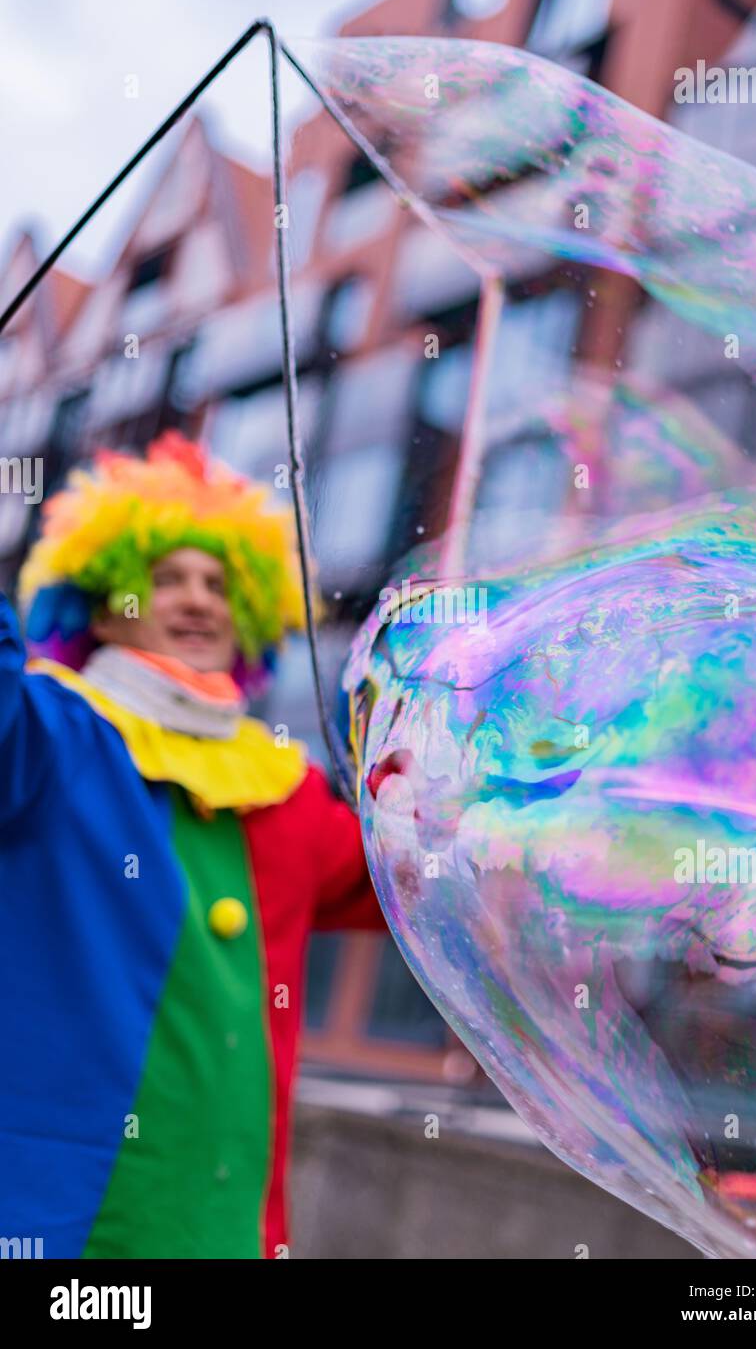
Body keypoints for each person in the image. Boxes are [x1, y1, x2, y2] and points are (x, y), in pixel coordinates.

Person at [0, 431, 384, 1259]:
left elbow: (417, 881)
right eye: (163, 578)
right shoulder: (54, 732)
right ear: (101, 607)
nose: (196, 599)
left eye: (218, 583)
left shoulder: (286, 787)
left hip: (228, 1225)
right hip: (65, 1228)